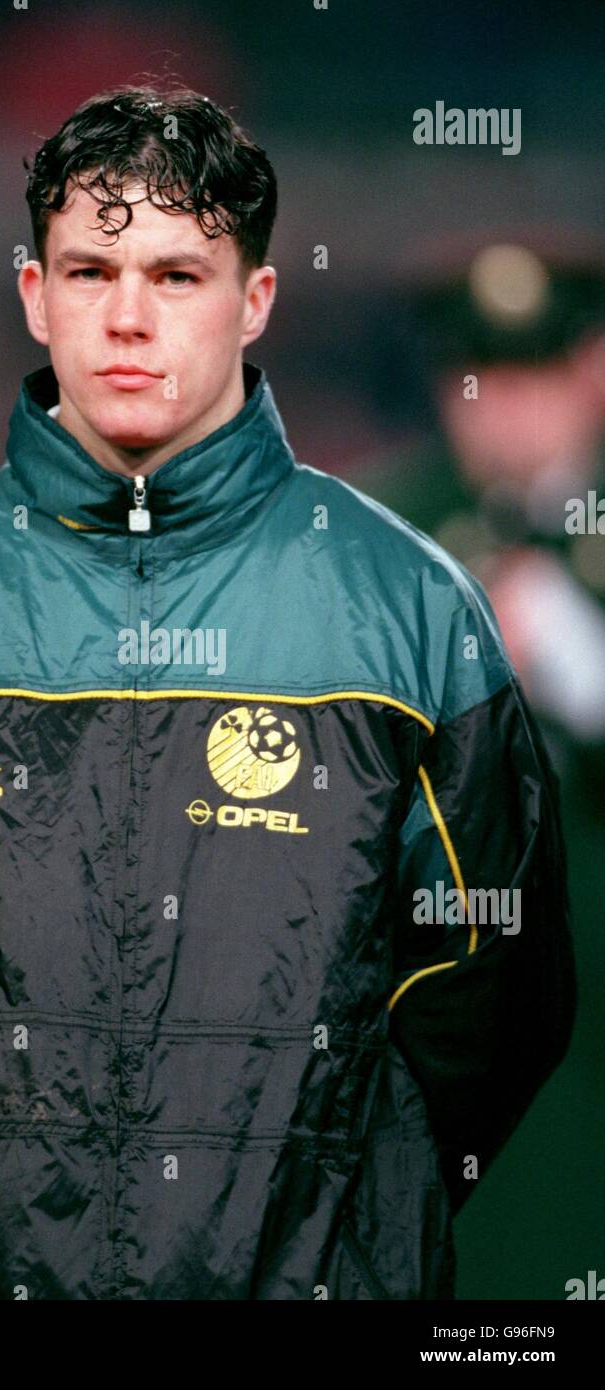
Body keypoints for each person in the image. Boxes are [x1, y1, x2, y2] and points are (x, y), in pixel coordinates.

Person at [0, 84, 576, 1302]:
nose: (127, 319)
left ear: (253, 300)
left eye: (175, 275)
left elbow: (496, 994)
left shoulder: (411, 615)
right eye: (91, 272)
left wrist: (332, 1199)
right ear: (34, 296)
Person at [355, 229, 605, 1298]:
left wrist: (570, 661)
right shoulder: (382, 526)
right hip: (429, 990)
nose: (500, 406)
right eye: (477, 377)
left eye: (531, 373)